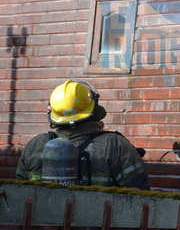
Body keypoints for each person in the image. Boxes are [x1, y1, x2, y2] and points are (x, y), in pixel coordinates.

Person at [16, 79, 150, 190]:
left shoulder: (35, 145)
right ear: (94, 107)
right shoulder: (115, 145)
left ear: (52, 111)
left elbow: (19, 192)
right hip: (99, 221)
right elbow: (139, 196)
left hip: (38, 221)